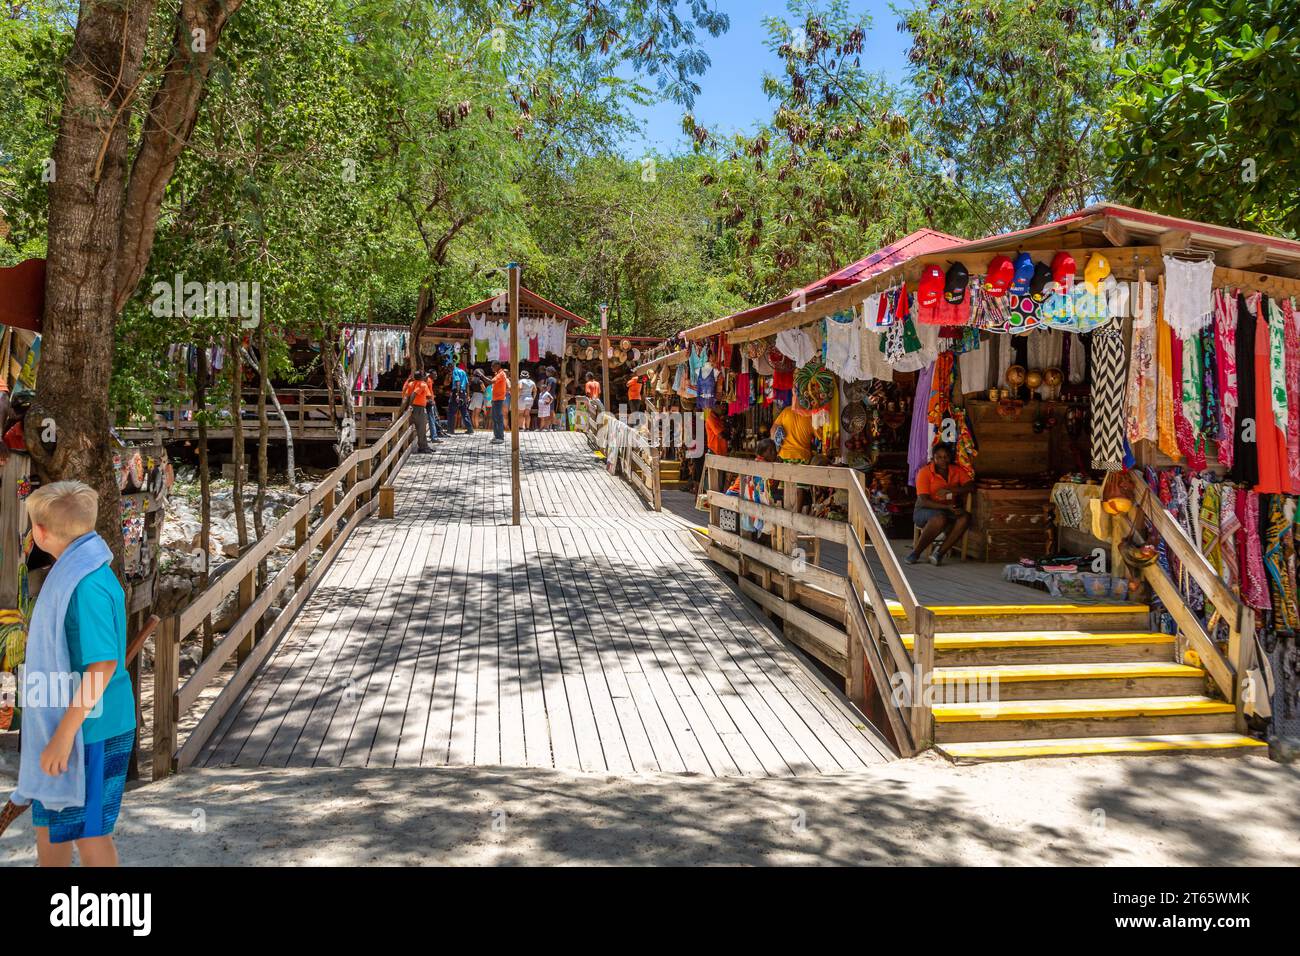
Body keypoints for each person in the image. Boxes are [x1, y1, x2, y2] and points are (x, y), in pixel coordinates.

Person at [15, 481, 134, 867]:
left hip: (91, 729)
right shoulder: (76, 574)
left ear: (41, 532)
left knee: (89, 833)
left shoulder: (86, 585)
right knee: (49, 824)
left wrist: (63, 737)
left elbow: (103, 665)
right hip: (72, 723)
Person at [907, 442, 974, 566]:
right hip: (924, 511)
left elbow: (970, 486)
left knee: (965, 517)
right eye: (939, 457)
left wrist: (951, 490)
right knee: (939, 518)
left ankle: (939, 554)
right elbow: (924, 501)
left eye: (946, 456)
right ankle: (915, 553)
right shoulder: (924, 472)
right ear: (933, 458)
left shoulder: (956, 470)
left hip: (948, 510)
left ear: (950, 457)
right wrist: (947, 507)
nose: (943, 460)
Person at [402, 370, 435, 453]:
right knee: (421, 428)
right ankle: (422, 447)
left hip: (413, 408)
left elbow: (406, 395)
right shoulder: (422, 384)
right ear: (422, 377)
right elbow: (414, 394)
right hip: (418, 408)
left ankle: (425, 446)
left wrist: (406, 407)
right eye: (425, 376)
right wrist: (410, 405)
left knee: (417, 428)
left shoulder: (411, 384)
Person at [475, 363, 508, 443]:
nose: (491, 368)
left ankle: (500, 437)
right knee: (495, 418)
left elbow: (490, 382)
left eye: (492, 366)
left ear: (497, 366)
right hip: (495, 399)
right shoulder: (498, 374)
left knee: (498, 418)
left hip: (498, 399)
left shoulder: (501, 374)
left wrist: (481, 375)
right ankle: (497, 436)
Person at [448, 362, 472, 435]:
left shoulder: (455, 371)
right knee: (464, 412)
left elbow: (457, 382)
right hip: (463, 393)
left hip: (457, 392)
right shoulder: (463, 372)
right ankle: (470, 429)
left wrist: (457, 394)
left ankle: (451, 430)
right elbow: (467, 384)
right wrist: (468, 395)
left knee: (451, 412)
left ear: (450, 367)